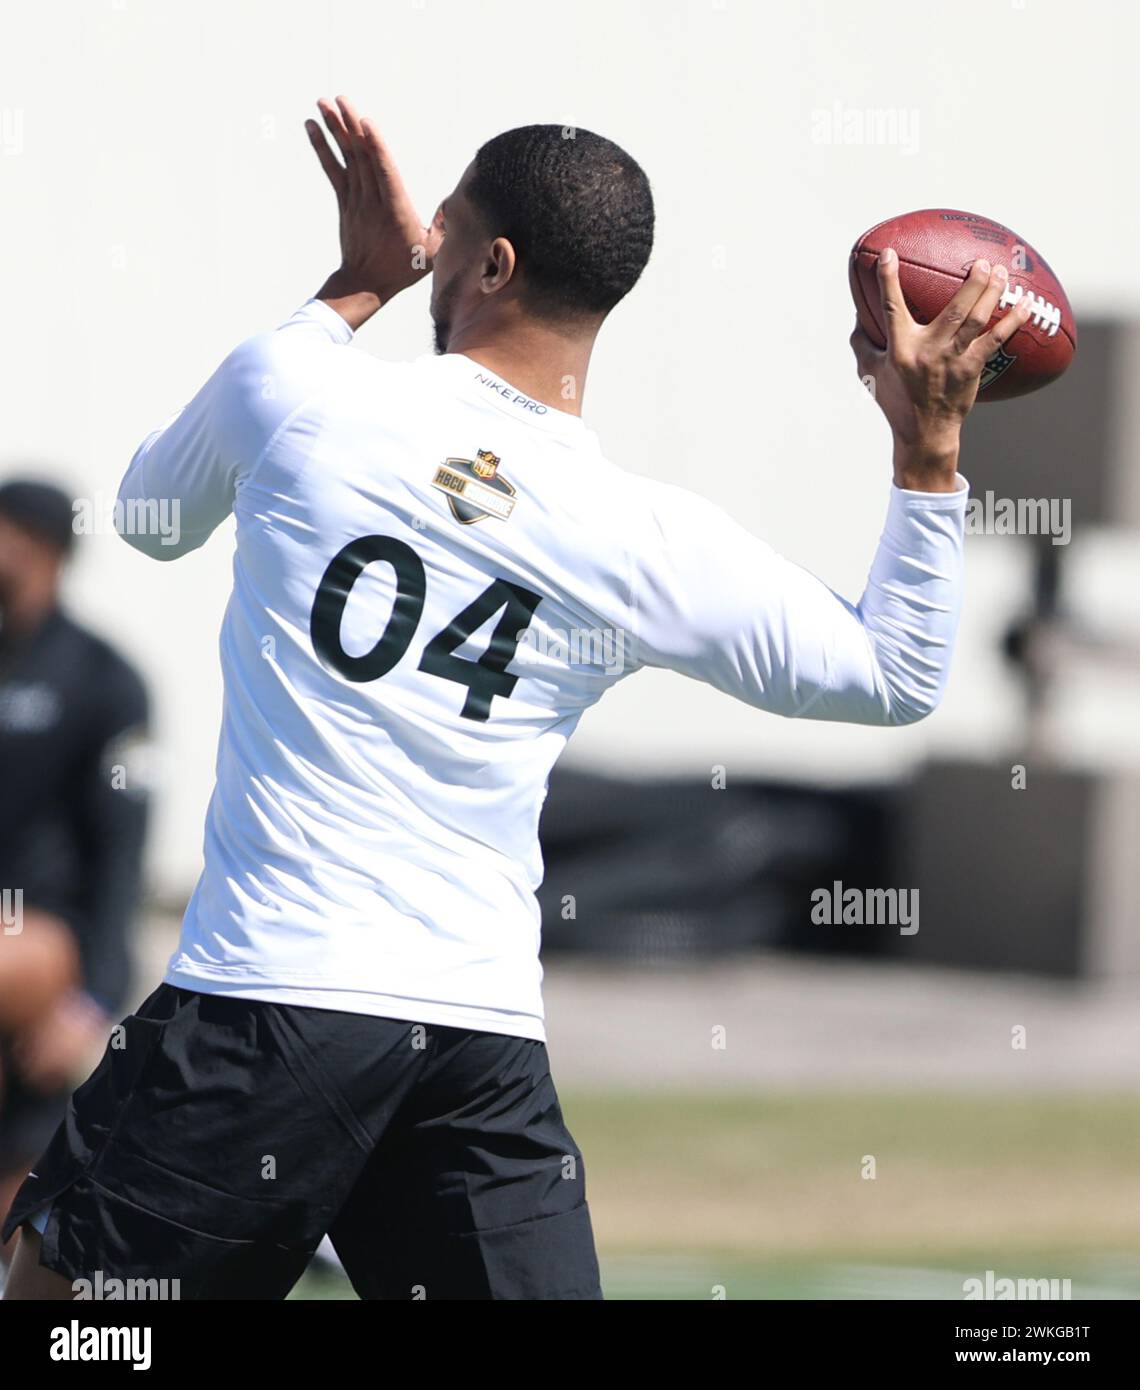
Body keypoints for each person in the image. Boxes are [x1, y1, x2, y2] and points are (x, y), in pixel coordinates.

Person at [2, 96, 1033, 1301]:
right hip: (472, 1039)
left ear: (489, 262)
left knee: (65, 1322)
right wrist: (927, 454)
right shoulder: (642, 534)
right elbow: (897, 675)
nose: (428, 254)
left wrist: (351, 285)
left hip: (267, 1005)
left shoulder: (303, 389)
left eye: (447, 237)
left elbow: (147, 518)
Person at [0, 480, 149, 1269]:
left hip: (43, 930)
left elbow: (125, 854)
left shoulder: (103, 679)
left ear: (37, 546)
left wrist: (95, 997)